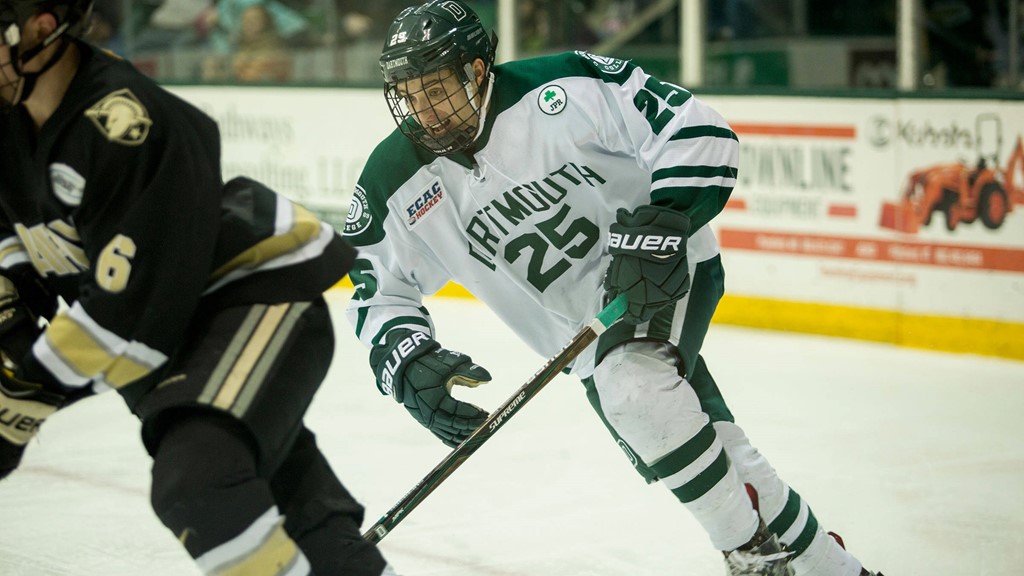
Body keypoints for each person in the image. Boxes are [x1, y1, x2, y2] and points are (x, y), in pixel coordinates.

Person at [343, 1, 884, 575]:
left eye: (437, 89)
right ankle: (835, 568)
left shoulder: (564, 88)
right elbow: (375, 286)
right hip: (582, 337)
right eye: (409, 94)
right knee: (714, 449)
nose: (425, 111)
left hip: (663, 271)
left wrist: (666, 220)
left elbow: (698, 129)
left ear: (478, 71)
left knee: (631, 389)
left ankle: (752, 560)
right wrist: (407, 359)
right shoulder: (393, 181)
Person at [0, 2, 395, 574]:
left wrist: (27, 391)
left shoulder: (124, 123)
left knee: (198, 483)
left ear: (41, 27)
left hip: (250, 300)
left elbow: (124, 319)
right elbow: (16, 259)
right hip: (169, 346)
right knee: (290, 513)